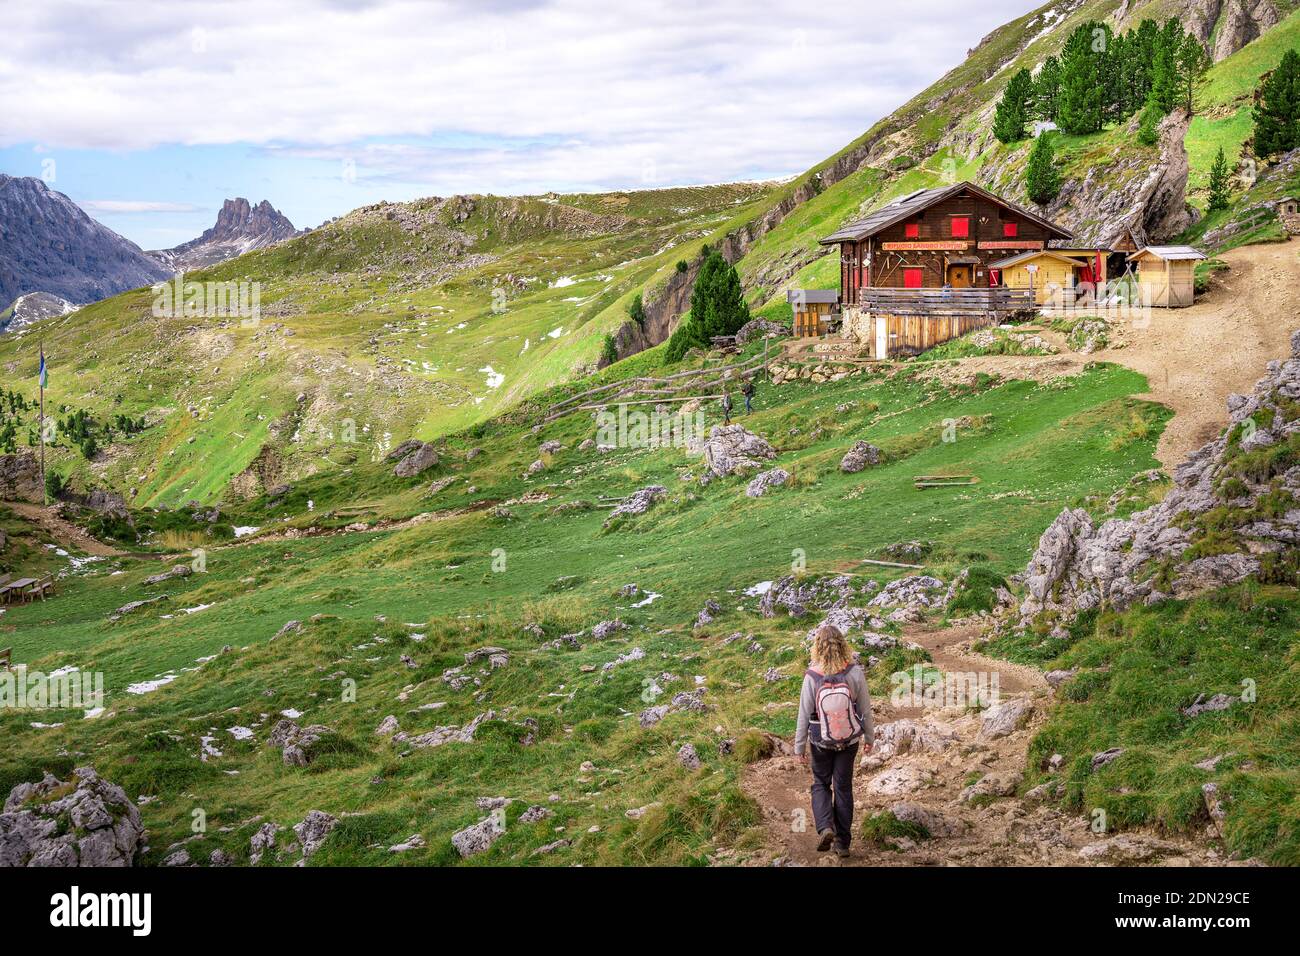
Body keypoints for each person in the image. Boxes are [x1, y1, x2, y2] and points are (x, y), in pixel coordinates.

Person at [794, 623, 873, 858]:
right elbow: (865, 709)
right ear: (842, 645)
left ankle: (825, 826)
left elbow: (803, 713)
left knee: (820, 783)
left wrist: (799, 747)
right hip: (848, 741)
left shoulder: (812, 675)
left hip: (820, 740)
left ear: (817, 647)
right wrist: (870, 737)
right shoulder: (854, 672)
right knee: (843, 787)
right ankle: (842, 843)